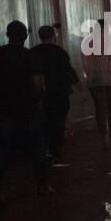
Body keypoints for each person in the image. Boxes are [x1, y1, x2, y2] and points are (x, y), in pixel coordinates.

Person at [0, 20, 50, 203]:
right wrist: (37, 102)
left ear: (8, 35)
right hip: (29, 109)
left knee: (3, 149)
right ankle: (42, 186)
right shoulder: (31, 56)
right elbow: (38, 85)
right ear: (25, 36)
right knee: (37, 148)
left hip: (3, 110)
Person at [32, 26, 79, 167]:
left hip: (40, 95)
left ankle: (44, 153)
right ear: (54, 36)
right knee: (58, 124)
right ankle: (56, 155)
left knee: (43, 124)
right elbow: (69, 72)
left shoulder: (33, 52)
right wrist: (80, 89)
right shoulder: (60, 52)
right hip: (59, 94)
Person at [83, 20, 111, 150]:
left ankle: (104, 136)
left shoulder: (88, 43)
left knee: (100, 108)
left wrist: (90, 74)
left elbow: (85, 63)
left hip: (95, 79)